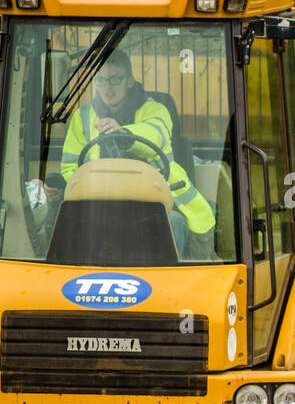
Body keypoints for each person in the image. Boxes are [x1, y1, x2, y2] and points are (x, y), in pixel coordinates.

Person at [52, 51, 216, 259]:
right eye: (101, 80)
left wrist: (125, 135)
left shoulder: (156, 110)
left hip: (160, 202)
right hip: (100, 203)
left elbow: (155, 135)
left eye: (115, 79)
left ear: (130, 81)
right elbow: (70, 167)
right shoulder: (81, 117)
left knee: (173, 222)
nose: (107, 87)